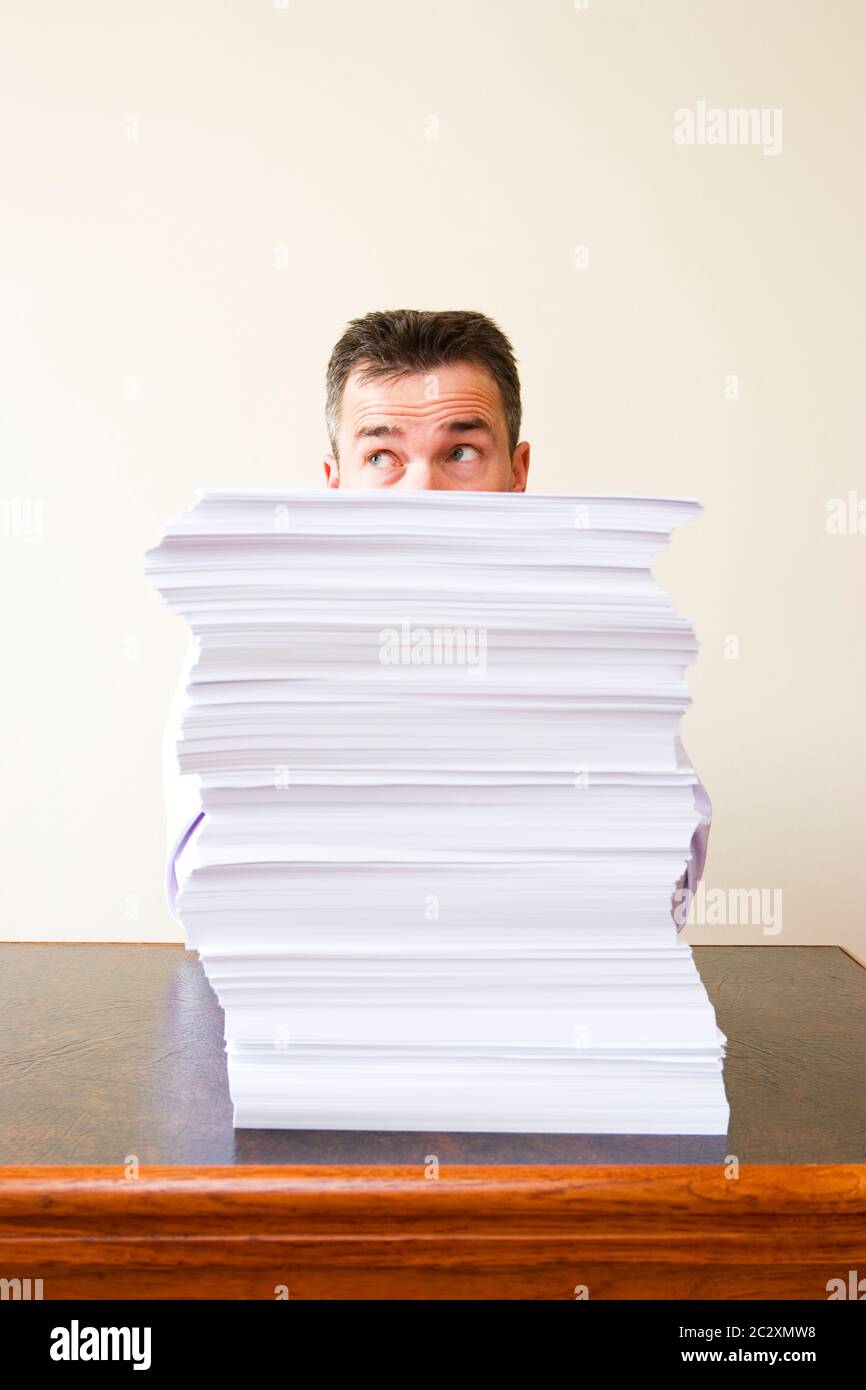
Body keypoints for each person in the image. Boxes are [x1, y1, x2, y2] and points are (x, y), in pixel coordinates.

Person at [165, 309, 709, 927]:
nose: (423, 491)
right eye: (382, 456)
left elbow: (667, 877)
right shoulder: (247, 648)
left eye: (460, 451)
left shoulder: (596, 641)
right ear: (334, 481)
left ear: (517, 473)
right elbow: (206, 887)